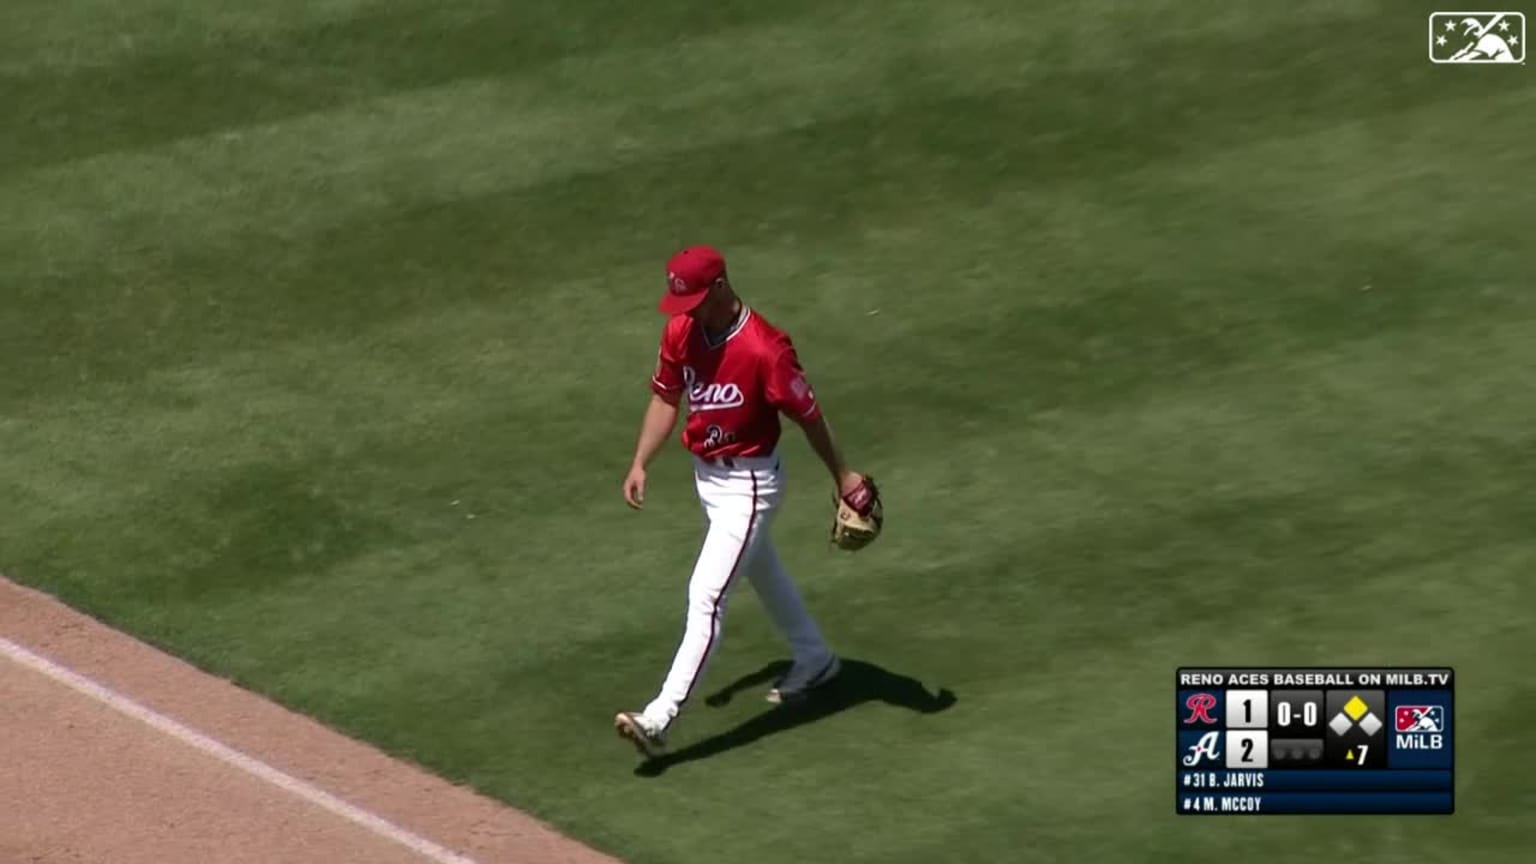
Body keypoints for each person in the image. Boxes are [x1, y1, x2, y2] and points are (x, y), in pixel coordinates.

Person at [614, 244, 875, 758]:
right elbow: (667, 397)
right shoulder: (682, 331)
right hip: (707, 479)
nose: (681, 313)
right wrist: (641, 460)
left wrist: (844, 476)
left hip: (750, 486)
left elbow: (810, 416)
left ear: (718, 288)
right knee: (762, 570)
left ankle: (660, 716)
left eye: (689, 300)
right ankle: (815, 657)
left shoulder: (765, 349)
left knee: (706, 595)